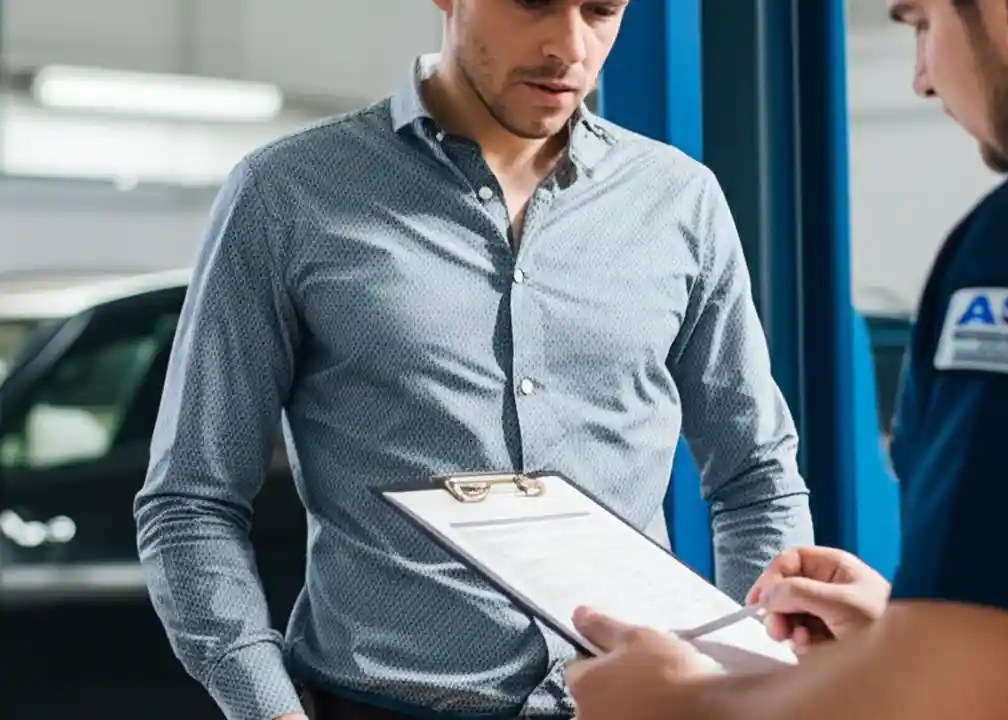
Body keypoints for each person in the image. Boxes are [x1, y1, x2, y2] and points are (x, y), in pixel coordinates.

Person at [563, 0, 1008, 718]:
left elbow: (948, 698)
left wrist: (685, 703)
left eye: (922, 24)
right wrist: (908, 633)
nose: (923, 79)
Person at [133, 1, 814, 718]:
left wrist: (746, 693)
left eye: (601, 10)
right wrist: (268, 709)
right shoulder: (288, 194)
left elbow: (757, 478)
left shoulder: (678, 200)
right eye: (535, 3)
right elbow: (191, 501)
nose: (569, 46)